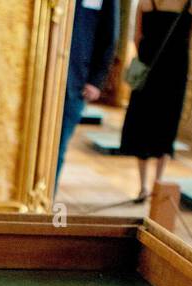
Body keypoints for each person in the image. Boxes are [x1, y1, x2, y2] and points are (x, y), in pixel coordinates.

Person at [119, 0, 192, 201]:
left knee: (143, 123)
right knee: (167, 124)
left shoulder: (147, 1)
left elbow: (137, 36)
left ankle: (142, 187)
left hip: (149, 64)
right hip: (175, 68)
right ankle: (159, 182)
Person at [56, 0, 121, 191]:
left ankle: (44, 204)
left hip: (76, 81)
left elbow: (109, 35)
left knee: (57, 146)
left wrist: (96, 80)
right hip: (38, 76)